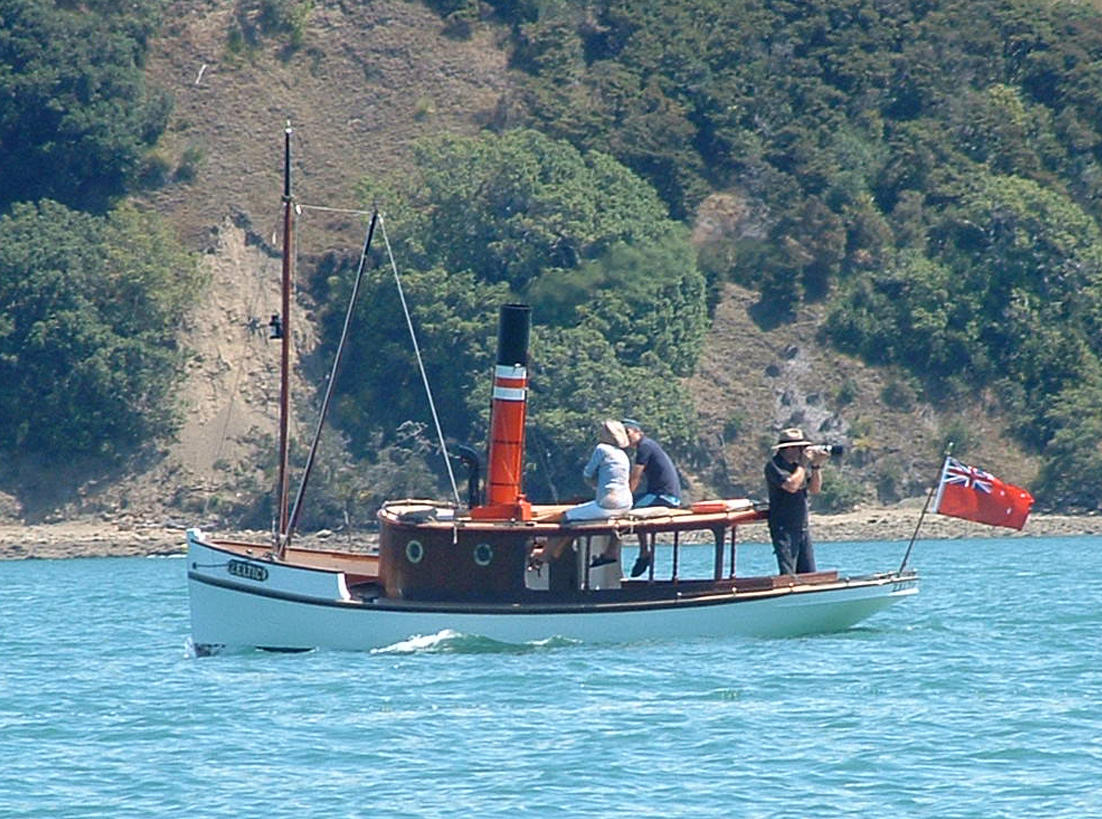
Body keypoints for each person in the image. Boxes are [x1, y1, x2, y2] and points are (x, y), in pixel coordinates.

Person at [530, 419, 632, 567]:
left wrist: (594, 485)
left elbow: (588, 473)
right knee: (579, 515)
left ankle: (545, 555)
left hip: (608, 503)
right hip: (626, 503)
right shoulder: (623, 454)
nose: (599, 433)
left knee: (567, 517)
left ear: (609, 434)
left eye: (602, 431)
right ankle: (555, 551)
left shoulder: (602, 449)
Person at [621, 419, 681, 577]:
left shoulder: (645, 447)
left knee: (632, 510)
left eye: (628, 433)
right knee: (634, 506)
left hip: (664, 496)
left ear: (638, 432)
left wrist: (625, 496)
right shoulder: (648, 445)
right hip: (659, 494)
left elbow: (636, 476)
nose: (626, 437)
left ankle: (643, 552)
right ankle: (643, 551)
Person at [764, 427, 828, 575]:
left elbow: (815, 489)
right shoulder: (774, 466)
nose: (802, 451)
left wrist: (816, 466)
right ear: (789, 448)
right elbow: (791, 486)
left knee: (808, 574)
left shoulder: (798, 467)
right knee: (789, 573)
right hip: (784, 528)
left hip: (802, 527)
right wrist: (803, 465)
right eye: (800, 448)